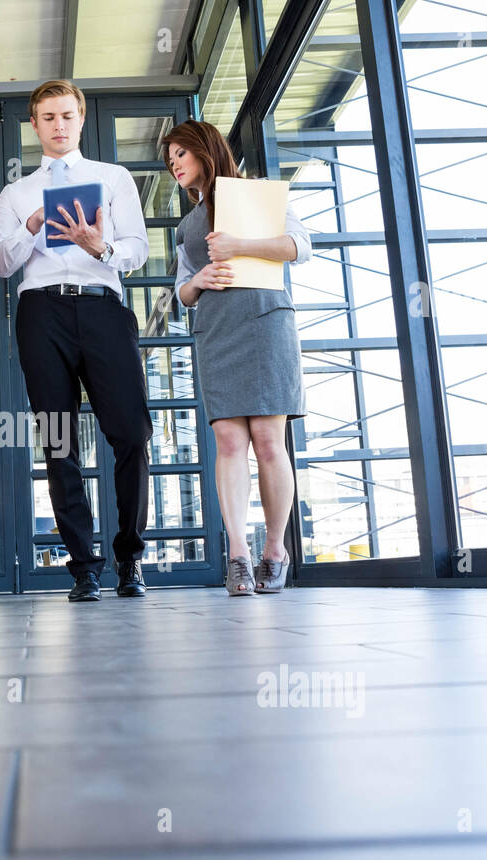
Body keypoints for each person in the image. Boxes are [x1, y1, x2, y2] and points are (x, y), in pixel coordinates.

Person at [0, 79, 152, 602]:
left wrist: (98, 246)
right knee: (58, 441)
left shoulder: (113, 177)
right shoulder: (16, 194)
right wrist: (33, 225)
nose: (58, 126)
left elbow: (139, 250)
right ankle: (84, 567)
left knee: (131, 433)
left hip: (103, 304)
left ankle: (129, 557)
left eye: (67, 116)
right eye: (48, 118)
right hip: (42, 311)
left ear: (80, 120)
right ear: (33, 125)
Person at [163, 120, 311, 596]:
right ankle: (237, 554)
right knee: (229, 442)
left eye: (180, 155)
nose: (174, 165)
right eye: (170, 161)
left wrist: (239, 245)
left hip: (266, 322)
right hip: (218, 329)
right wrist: (197, 281)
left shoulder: (258, 197)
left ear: (206, 151)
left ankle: (274, 549)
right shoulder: (187, 225)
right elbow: (182, 291)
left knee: (269, 441)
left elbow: (300, 247)